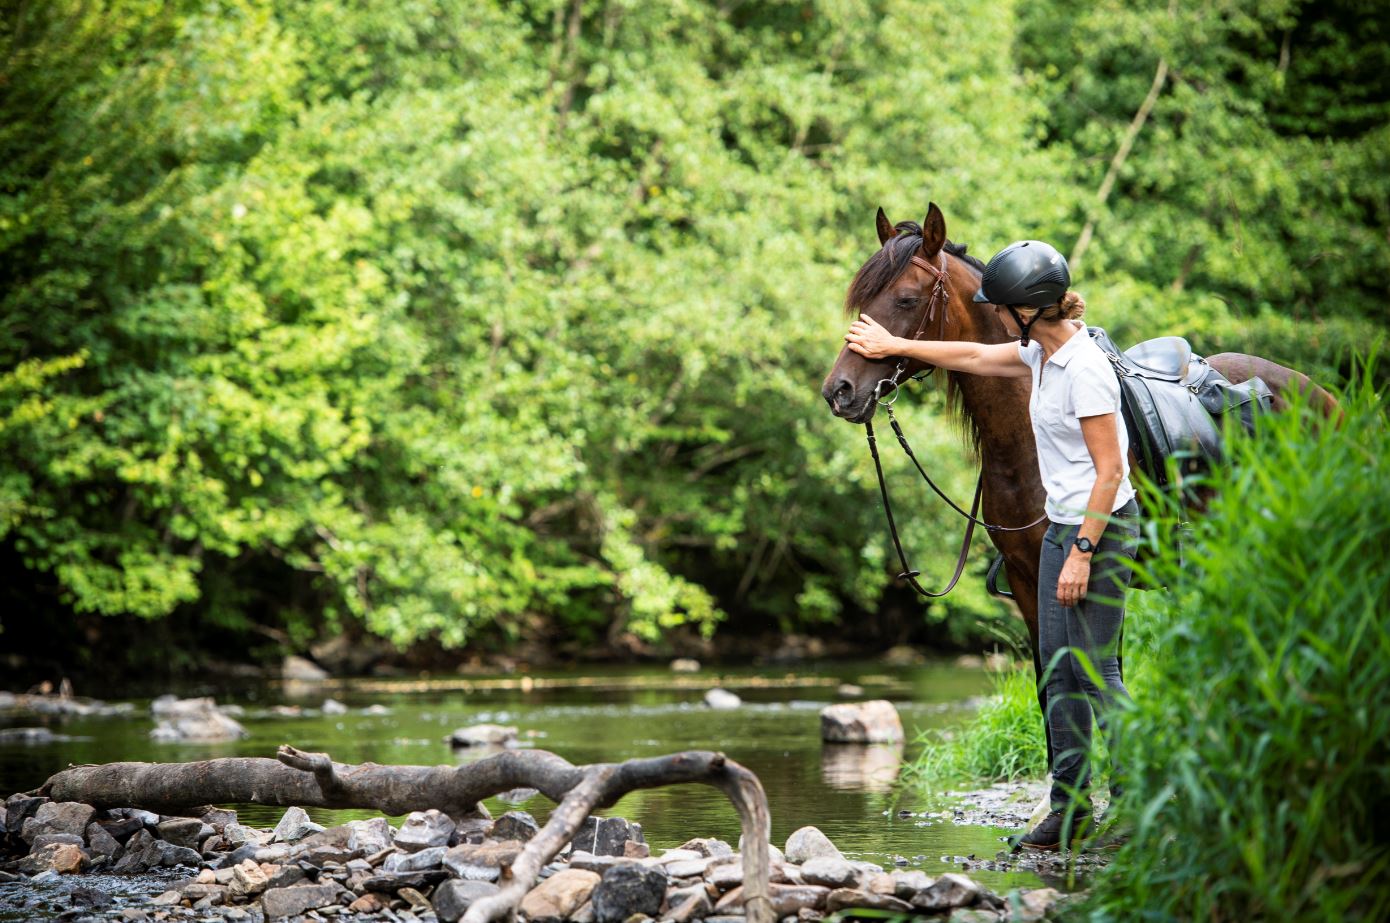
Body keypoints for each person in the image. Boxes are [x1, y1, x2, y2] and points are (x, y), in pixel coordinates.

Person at [843, 239, 1139, 851]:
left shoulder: (1085, 369)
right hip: (1061, 528)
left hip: (1098, 532)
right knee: (1058, 672)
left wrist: (1082, 551)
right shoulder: (1037, 358)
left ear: (1029, 310)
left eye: (1003, 308)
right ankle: (1071, 808)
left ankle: (1142, 799)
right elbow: (974, 353)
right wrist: (895, 345)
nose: (997, 317)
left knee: (1096, 669)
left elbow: (1109, 473)